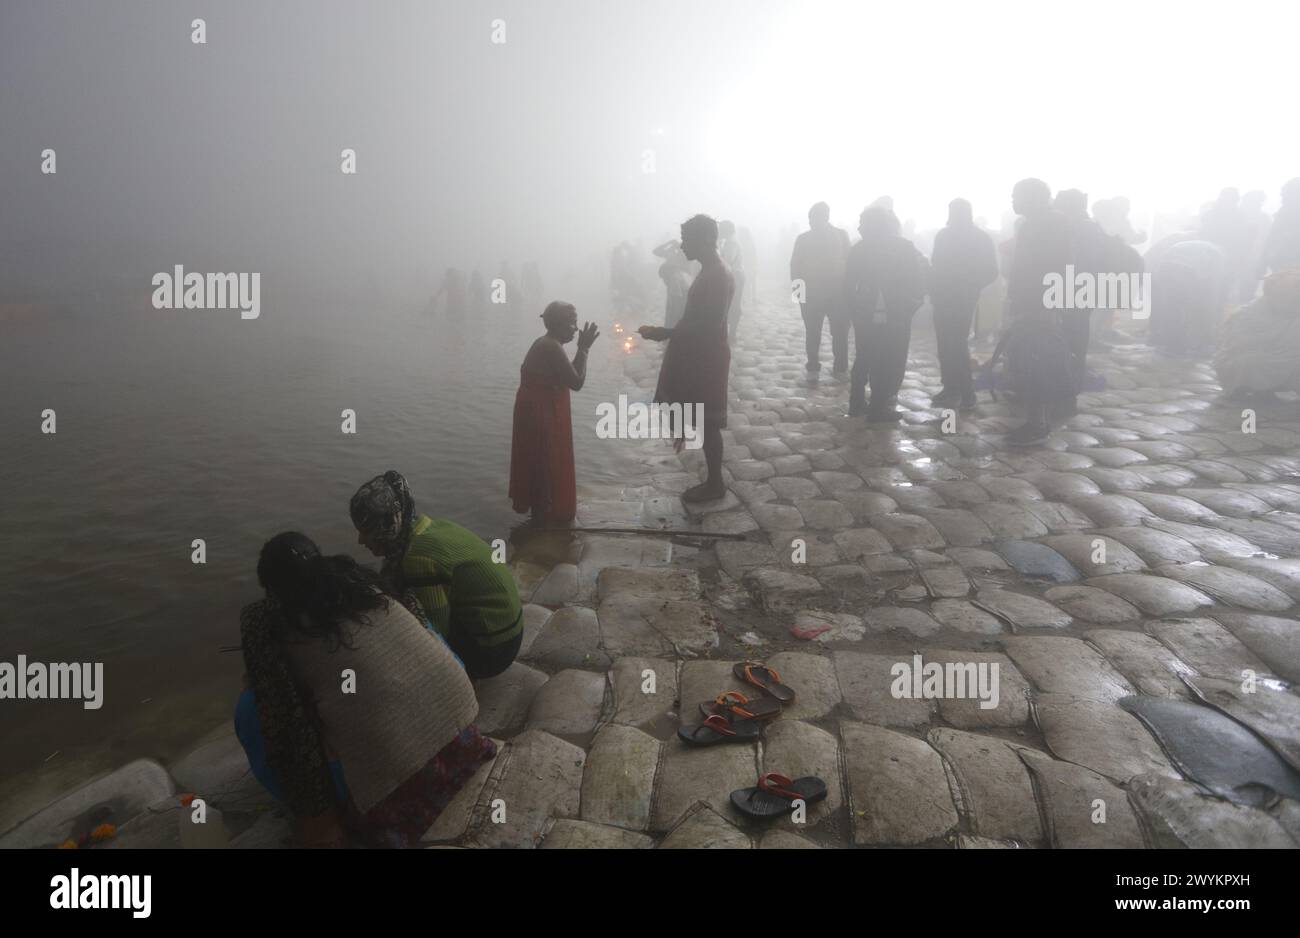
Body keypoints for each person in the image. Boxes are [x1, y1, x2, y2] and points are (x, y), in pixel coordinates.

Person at [235, 532, 492, 848]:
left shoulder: (267, 622)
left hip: (397, 797)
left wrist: (318, 822)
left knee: (249, 708)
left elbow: (284, 723)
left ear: (271, 589)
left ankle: (322, 816)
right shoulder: (366, 584)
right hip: (465, 743)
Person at [350, 471, 524, 679]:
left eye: (367, 530)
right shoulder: (431, 527)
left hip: (492, 652)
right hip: (510, 634)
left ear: (389, 524)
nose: (360, 540)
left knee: (404, 626)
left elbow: (436, 633)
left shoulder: (419, 558)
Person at [638, 214, 735, 502]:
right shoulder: (708, 271)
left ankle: (715, 484)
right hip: (699, 353)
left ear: (705, 240)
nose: (683, 246)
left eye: (687, 239)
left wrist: (665, 332)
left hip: (707, 357)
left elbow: (709, 324)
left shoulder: (717, 274)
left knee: (709, 422)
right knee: (704, 419)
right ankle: (713, 480)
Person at [509, 301, 599, 524]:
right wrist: (584, 349)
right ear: (558, 325)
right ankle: (541, 517)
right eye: (572, 323)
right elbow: (576, 382)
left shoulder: (549, 344)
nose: (576, 329)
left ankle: (542, 512)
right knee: (543, 460)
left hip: (536, 409)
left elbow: (569, 377)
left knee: (541, 460)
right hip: (538, 413)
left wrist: (581, 349)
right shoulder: (550, 346)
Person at [1002, 178, 1076, 446]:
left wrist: (1048, 303)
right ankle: (1036, 418)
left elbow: (1057, 264)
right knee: (1027, 360)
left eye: (1016, 195)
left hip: (1040, 302)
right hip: (1031, 300)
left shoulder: (1051, 223)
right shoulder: (1034, 223)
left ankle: (1038, 421)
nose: (1012, 200)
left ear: (1032, 197)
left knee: (1037, 361)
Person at [843, 205, 927, 423]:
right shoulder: (871, 248)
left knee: (876, 358)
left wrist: (910, 306)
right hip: (880, 313)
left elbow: (916, 281)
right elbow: (849, 284)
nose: (859, 227)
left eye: (863, 223)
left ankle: (866, 403)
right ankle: (874, 405)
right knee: (883, 359)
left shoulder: (864, 248)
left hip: (888, 314)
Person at [929, 199, 998, 410]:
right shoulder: (946, 235)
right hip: (944, 296)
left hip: (961, 298)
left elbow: (991, 271)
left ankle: (966, 391)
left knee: (956, 344)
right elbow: (936, 263)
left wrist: (971, 286)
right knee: (945, 344)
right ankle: (951, 387)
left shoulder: (978, 238)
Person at [1215, 268, 1300, 400]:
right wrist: (1272, 346)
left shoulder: (1294, 314)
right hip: (1252, 359)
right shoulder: (1246, 315)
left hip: (1283, 358)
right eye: (1290, 297)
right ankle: (1249, 387)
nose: (1294, 302)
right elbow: (1236, 345)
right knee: (1250, 361)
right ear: (1275, 295)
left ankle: (1274, 386)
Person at [790, 202, 852, 375]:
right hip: (829, 294)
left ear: (822, 218)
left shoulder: (805, 238)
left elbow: (795, 267)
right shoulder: (839, 236)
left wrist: (798, 296)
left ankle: (825, 364)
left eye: (813, 219)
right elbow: (795, 267)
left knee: (824, 331)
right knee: (826, 332)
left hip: (827, 294)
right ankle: (829, 364)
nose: (811, 223)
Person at [653, 238, 696, 328]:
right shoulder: (673, 255)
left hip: (683, 286)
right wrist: (669, 243)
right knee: (671, 309)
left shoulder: (686, 257)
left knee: (679, 309)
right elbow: (656, 251)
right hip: (673, 285)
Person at [1263, 178, 1300, 274]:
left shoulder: (1285, 213)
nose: (1282, 197)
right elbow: (1271, 238)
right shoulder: (1283, 213)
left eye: (1285, 194)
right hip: (1283, 265)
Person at [720, 220, 746, 340]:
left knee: (733, 304)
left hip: (735, 275)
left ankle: (732, 333)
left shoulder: (731, 243)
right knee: (732, 303)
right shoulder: (730, 242)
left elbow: (728, 260)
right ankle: (732, 332)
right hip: (735, 274)